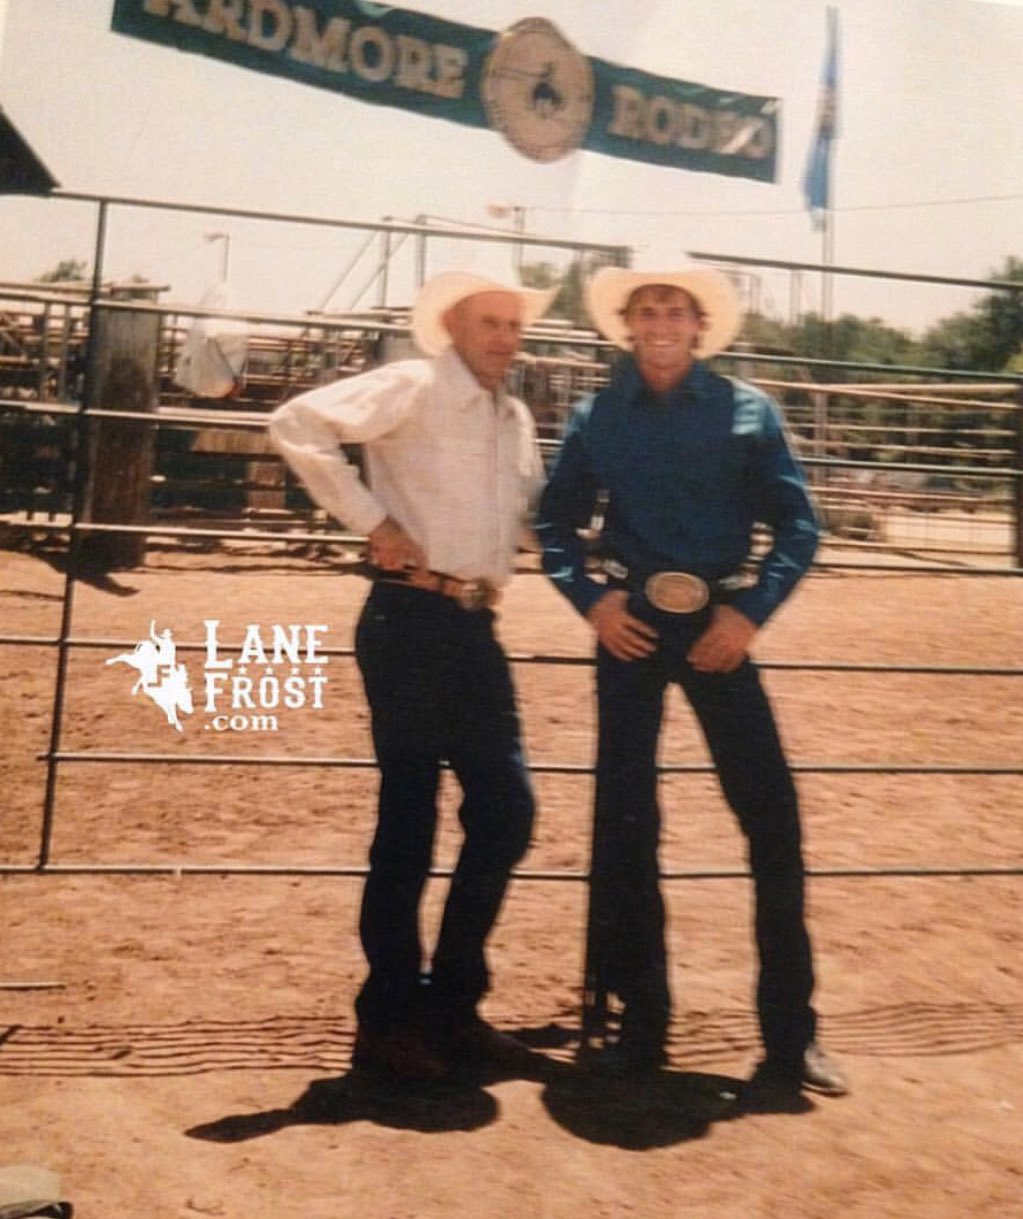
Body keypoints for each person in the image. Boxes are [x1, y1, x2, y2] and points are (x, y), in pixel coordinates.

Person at [536, 265, 847, 1103]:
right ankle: (641, 1029)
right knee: (628, 820)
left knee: (771, 816)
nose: (662, 321)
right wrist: (591, 600)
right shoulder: (596, 416)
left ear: (698, 324)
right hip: (631, 625)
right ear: (627, 326)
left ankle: (792, 1034)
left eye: (676, 309)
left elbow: (797, 524)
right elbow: (554, 521)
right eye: (647, 310)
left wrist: (749, 615)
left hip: (719, 627)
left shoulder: (748, 411)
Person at [269, 270, 555, 1082]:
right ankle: (389, 1020)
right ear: (452, 327)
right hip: (408, 616)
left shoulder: (515, 415)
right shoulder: (413, 383)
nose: (505, 336)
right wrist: (373, 521)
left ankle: (450, 1006)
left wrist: (608, 553)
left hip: (473, 621)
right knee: (410, 825)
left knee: (505, 810)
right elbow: (296, 421)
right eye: (489, 322)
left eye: (513, 323)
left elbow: (527, 524)